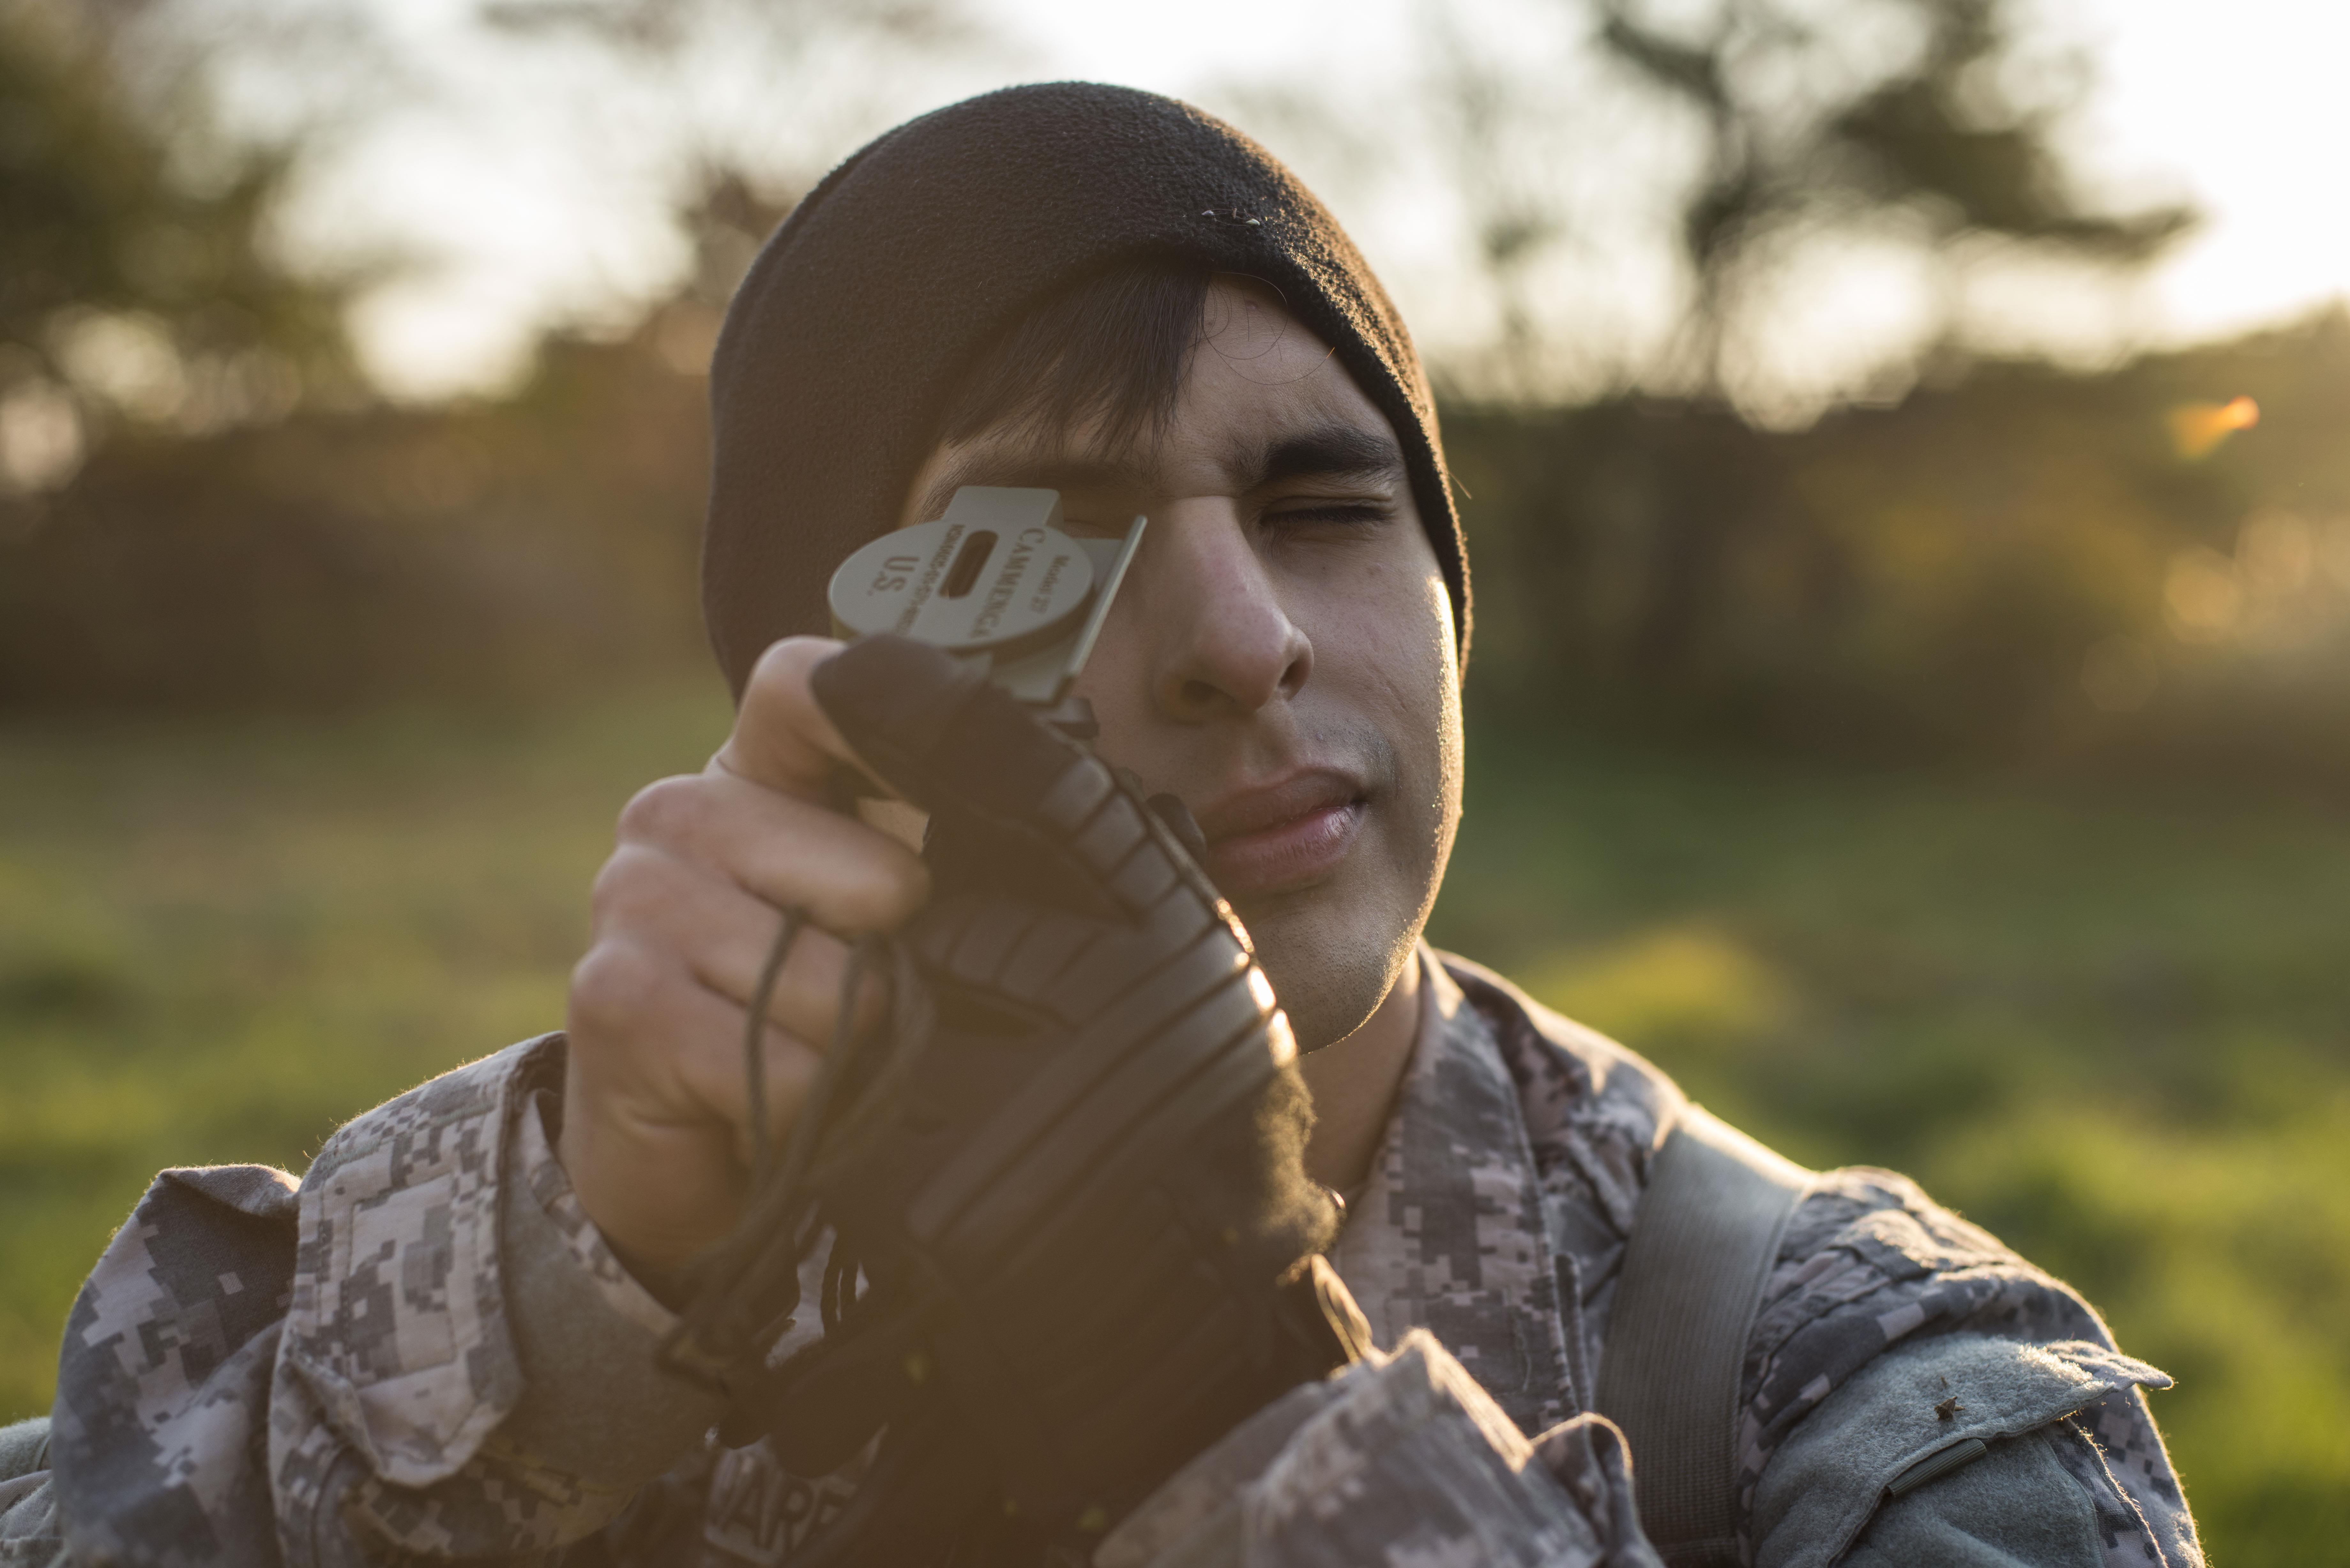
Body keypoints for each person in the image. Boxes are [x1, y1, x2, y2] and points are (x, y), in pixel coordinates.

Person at [0, 84, 2204, 1567]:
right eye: (1040, 535)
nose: (1241, 640)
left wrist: (1232, 1401)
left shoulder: (1875, 1403)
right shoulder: (527, 1271)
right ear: (805, 670)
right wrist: (580, 1294)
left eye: (1326, 507)